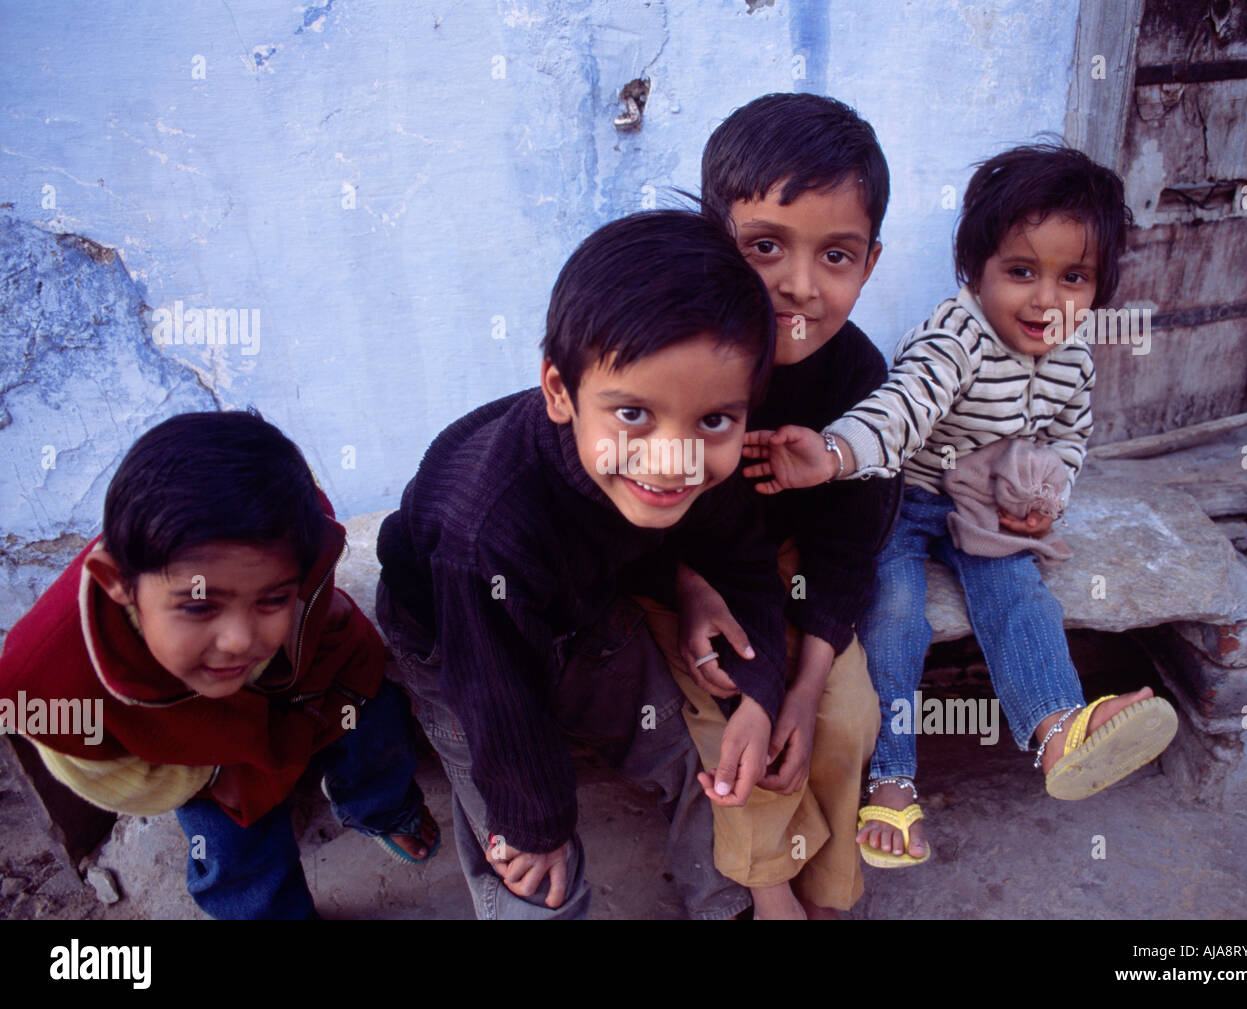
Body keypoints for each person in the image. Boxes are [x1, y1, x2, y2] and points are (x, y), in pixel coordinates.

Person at [743, 142, 1177, 867]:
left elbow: (1069, 437)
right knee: (894, 614)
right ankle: (892, 779)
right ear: (975, 271)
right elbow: (903, 408)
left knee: (1021, 595)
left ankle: (1059, 729)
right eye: (1021, 272)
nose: (1046, 301)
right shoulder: (956, 338)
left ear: (1100, 287)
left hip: (987, 506)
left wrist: (1048, 500)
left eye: (1073, 278)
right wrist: (835, 452)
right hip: (904, 494)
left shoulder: (1075, 355)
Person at [375, 209, 789, 919]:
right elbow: (495, 696)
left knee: (701, 757)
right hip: (456, 637)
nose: (672, 459)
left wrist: (760, 691)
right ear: (560, 392)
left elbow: (745, 559)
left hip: (591, 605)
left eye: (714, 420)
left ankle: (729, 907)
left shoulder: (691, 463)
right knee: (528, 857)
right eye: (632, 415)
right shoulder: (485, 530)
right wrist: (538, 824)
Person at [0, 410, 439, 918]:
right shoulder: (45, 684)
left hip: (305, 683)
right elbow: (114, 778)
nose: (239, 641)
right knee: (235, 850)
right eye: (200, 606)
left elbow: (315, 604)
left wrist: (307, 630)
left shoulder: (301, 531)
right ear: (117, 582)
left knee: (372, 717)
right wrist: (210, 776)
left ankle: (381, 808)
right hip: (197, 756)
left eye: (271, 599)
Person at [638, 92, 900, 919]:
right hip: (682, 567)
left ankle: (830, 890)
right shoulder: (673, 355)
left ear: (870, 263)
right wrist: (684, 583)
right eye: (764, 246)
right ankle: (770, 886)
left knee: (848, 713)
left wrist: (805, 684)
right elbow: (623, 498)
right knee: (727, 708)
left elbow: (851, 545)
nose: (799, 286)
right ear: (713, 240)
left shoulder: (861, 381)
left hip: (793, 570)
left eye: (837, 255)